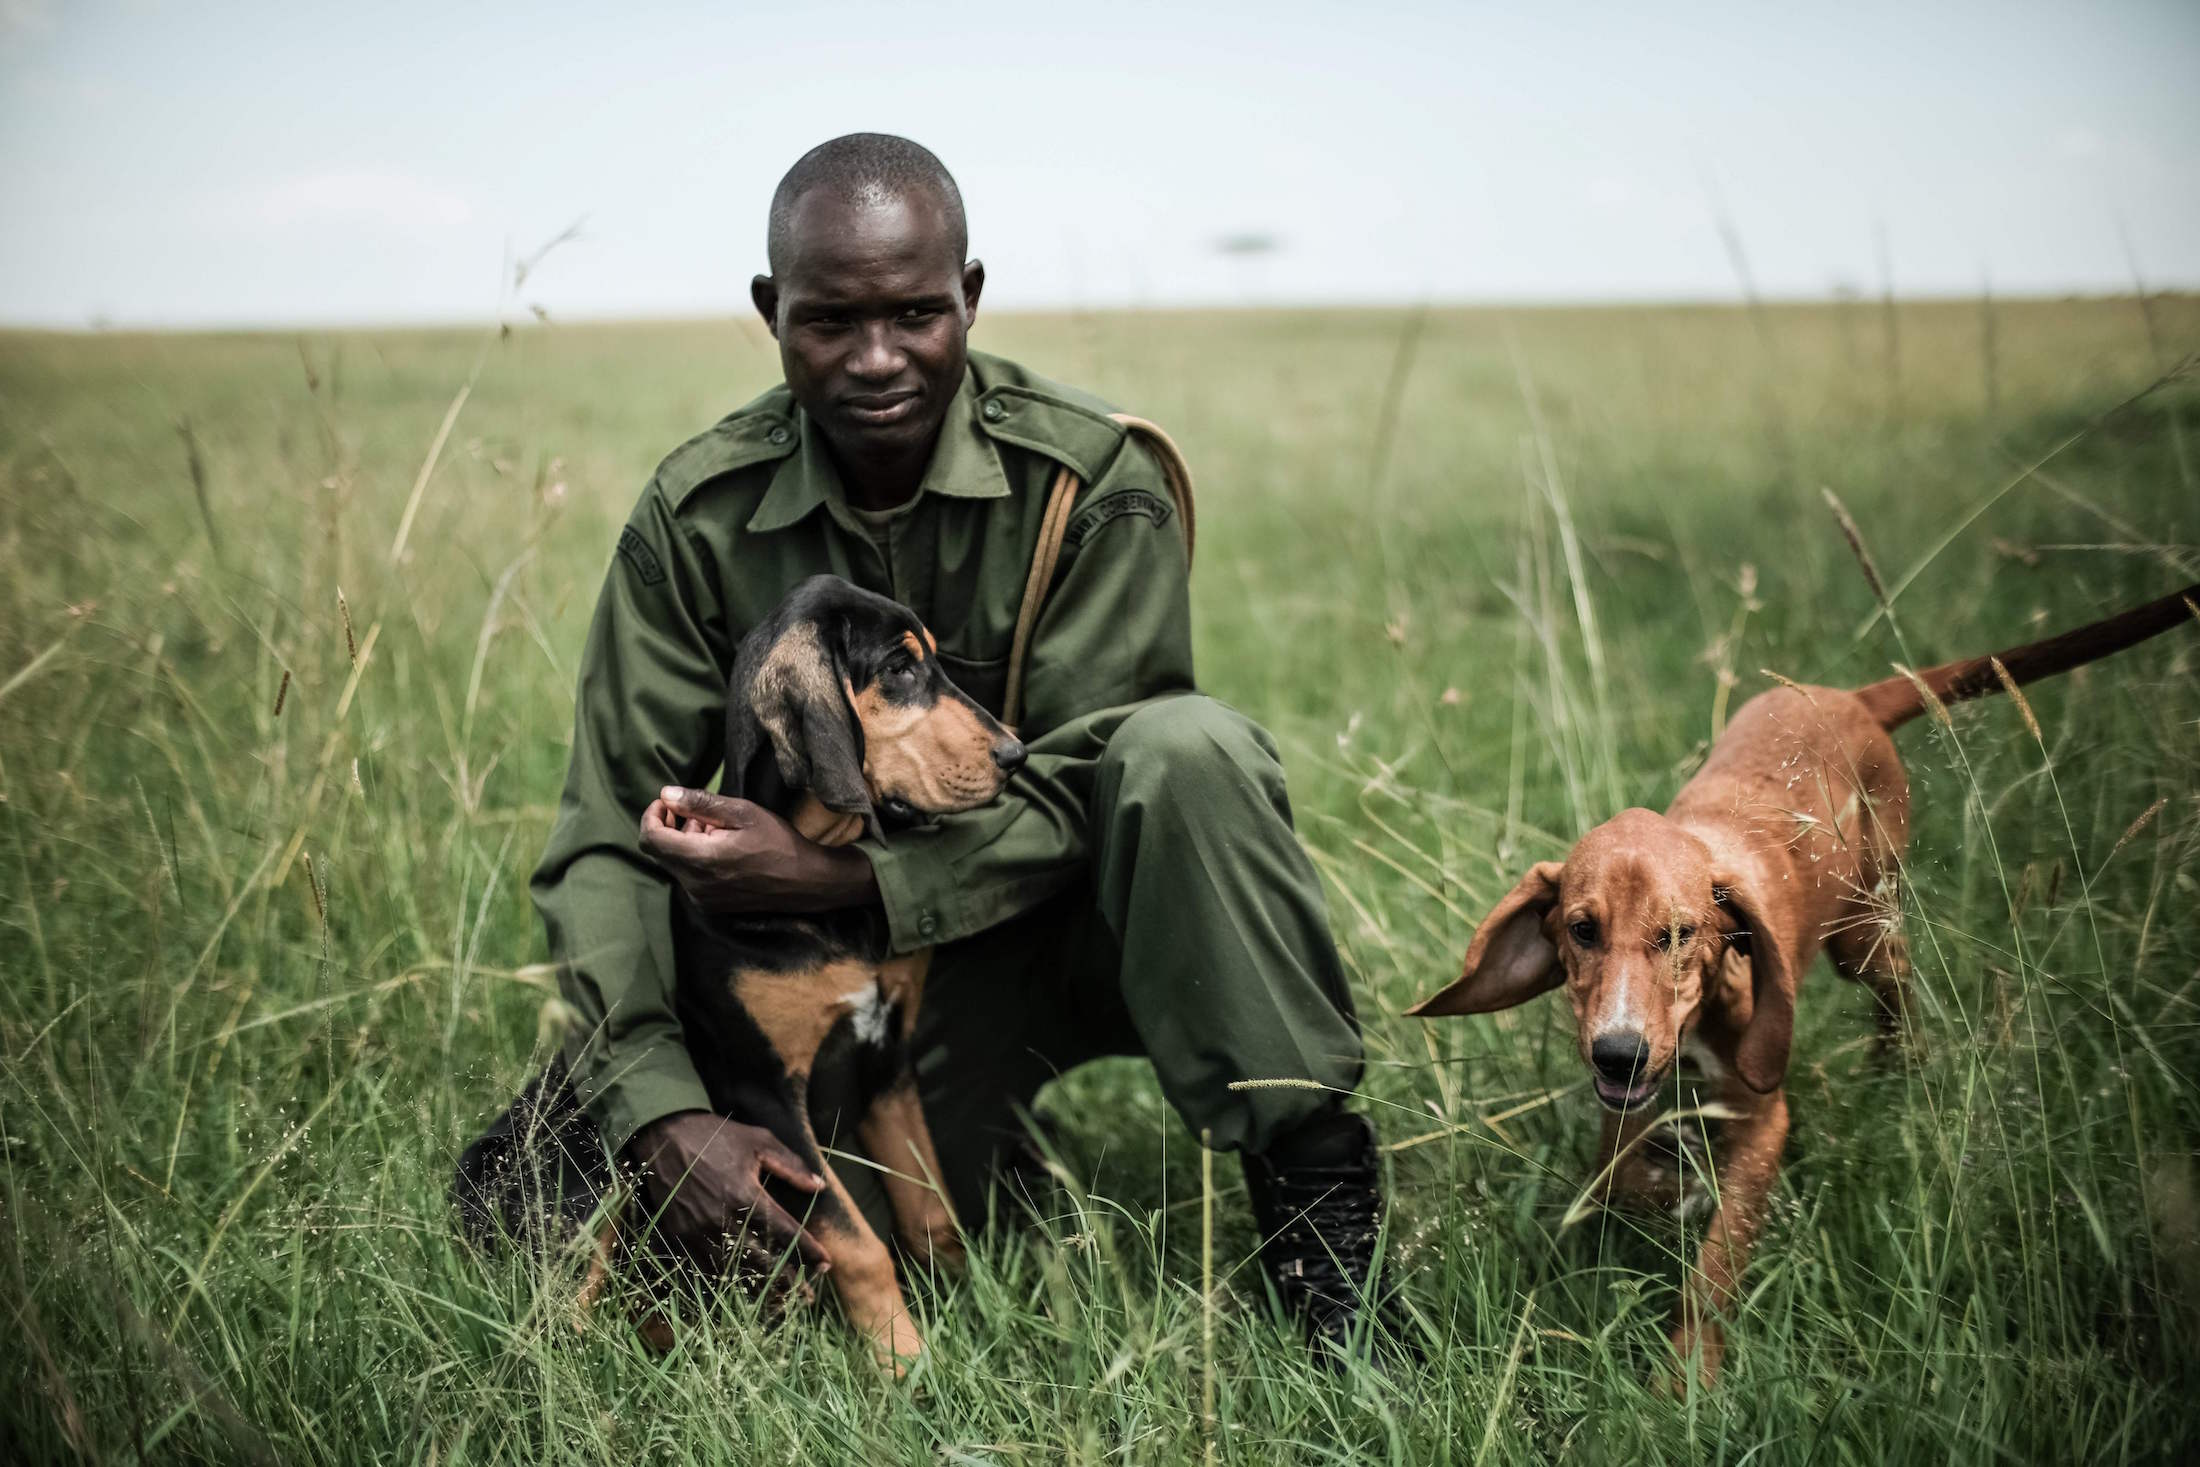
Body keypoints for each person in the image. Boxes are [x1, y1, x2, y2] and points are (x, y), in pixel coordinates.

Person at [457, 133, 1391, 1356]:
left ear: (970, 300)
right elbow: (607, 840)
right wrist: (662, 1115)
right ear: (769, 314)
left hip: (1060, 931)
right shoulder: (699, 516)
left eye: (915, 313)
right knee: (831, 1255)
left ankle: (1328, 1266)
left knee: (1189, 749)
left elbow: (1096, 776)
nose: (879, 358)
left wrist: (848, 876)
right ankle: (993, 1150)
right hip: (858, 995)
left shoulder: (1089, 477)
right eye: (830, 321)